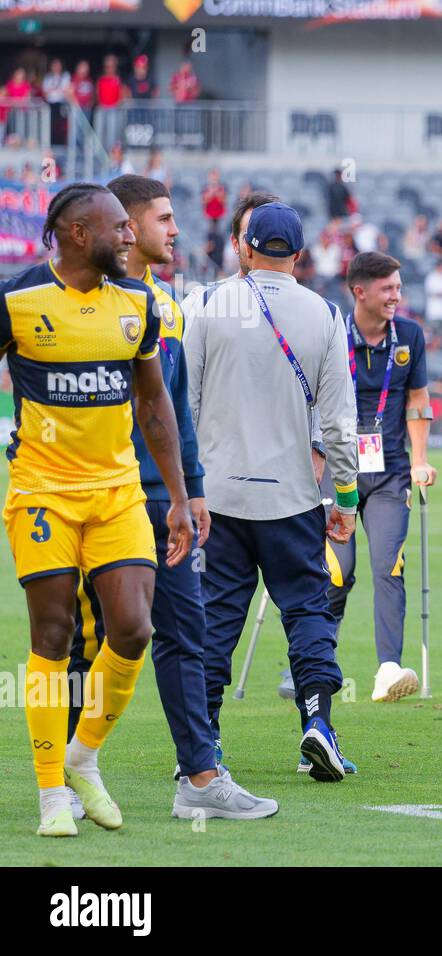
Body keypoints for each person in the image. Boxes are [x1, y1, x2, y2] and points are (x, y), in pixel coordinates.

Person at [66, 175, 277, 820]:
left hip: (162, 497)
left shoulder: (169, 306)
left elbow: (172, 409)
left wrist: (195, 490)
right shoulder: (78, 303)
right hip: (93, 493)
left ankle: (199, 776)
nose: (174, 229)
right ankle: (65, 778)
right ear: (123, 226)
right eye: (161, 218)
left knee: (187, 631)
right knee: (84, 636)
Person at [2, 182, 194, 836]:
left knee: (134, 627)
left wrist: (177, 497)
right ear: (78, 233)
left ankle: (85, 754)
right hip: (42, 494)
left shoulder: (139, 303)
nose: (127, 237)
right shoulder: (17, 300)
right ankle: (52, 792)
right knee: (52, 634)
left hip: (118, 494)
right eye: (116, 228)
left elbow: (154, 405)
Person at [185, 201, 362, 781]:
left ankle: (203, 749)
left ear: (245, 246)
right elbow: (338, 424)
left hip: (219, 496)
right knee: (308, 611)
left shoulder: (205, 303)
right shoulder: (325, 313)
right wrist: (345, 499)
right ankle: (318, 723)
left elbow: (182, 406)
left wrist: (183, 489)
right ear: (300, 253)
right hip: (291, 497)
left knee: (214, 622)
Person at [323, 252, 435, 703]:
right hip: (336, 470)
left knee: (390, 566)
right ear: (360, 291)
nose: (396, 296)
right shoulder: (331, 333)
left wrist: (420, 459)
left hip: (389, 473)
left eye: (398, 287)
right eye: (388, 289)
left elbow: (418, 399)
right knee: (336, 572)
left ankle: (388, 668)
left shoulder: (409, 335)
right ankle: (314, 661)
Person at [95, 54, 124, 148]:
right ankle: (99, 152)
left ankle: (111, 152)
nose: (109, 69)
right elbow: (97, 94)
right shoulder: (101, 79)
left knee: (112, 134)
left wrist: (116, 105)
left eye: (111, 66)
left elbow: (122, 94)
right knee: (99, 132)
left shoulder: (118, 80)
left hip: (113, 109)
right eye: (107, 67)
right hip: (102, 108)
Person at [41, 59, 72, 147]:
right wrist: (57, 89)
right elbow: (45, 92)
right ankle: (51, 143)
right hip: (51, 104)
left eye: (58, 65)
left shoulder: (65, 76)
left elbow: (65, 90)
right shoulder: (48, 77)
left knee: (62, 126)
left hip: (62, 104)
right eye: (54, 65)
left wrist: (53, 89)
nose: (56, 68)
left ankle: (61, 144)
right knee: (50, 125)